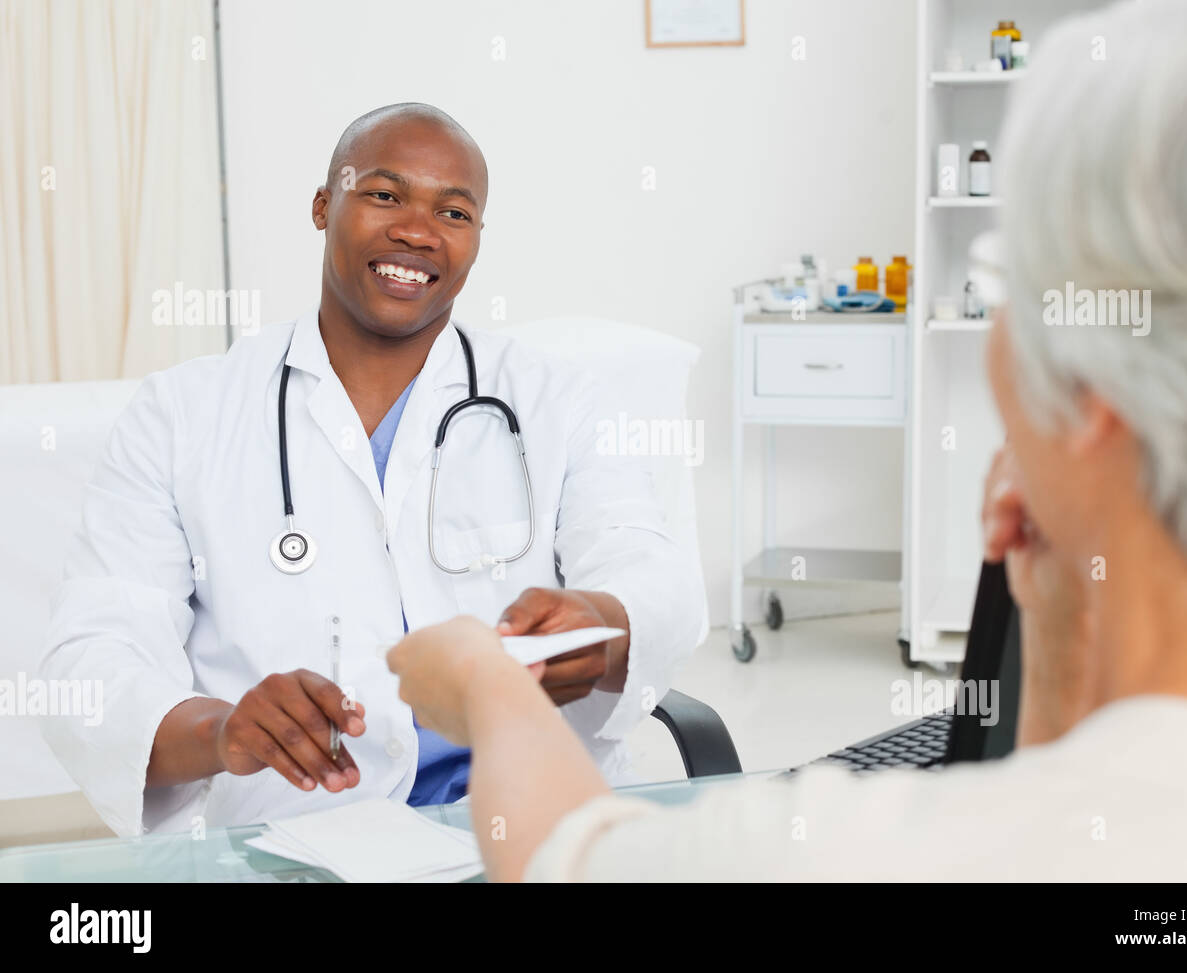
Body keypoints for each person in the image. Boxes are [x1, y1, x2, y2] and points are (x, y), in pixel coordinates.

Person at [386, 0, 1187, 881]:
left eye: (1002, 284)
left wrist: (484, 682)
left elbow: (560, 857)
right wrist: (1059, 632)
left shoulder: (853, 857)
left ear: (1098, 388)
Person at [39, 103, 706, 837]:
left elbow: (650, 568)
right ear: (324, 206)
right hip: (299, 837)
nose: (417, 230)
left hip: (534, 828)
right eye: (385, 195)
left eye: (453, 211)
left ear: (477, 240)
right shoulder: (182, 413)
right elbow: (94, 657)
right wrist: (224, 730)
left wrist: (606, 624)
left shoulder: (558, 399)